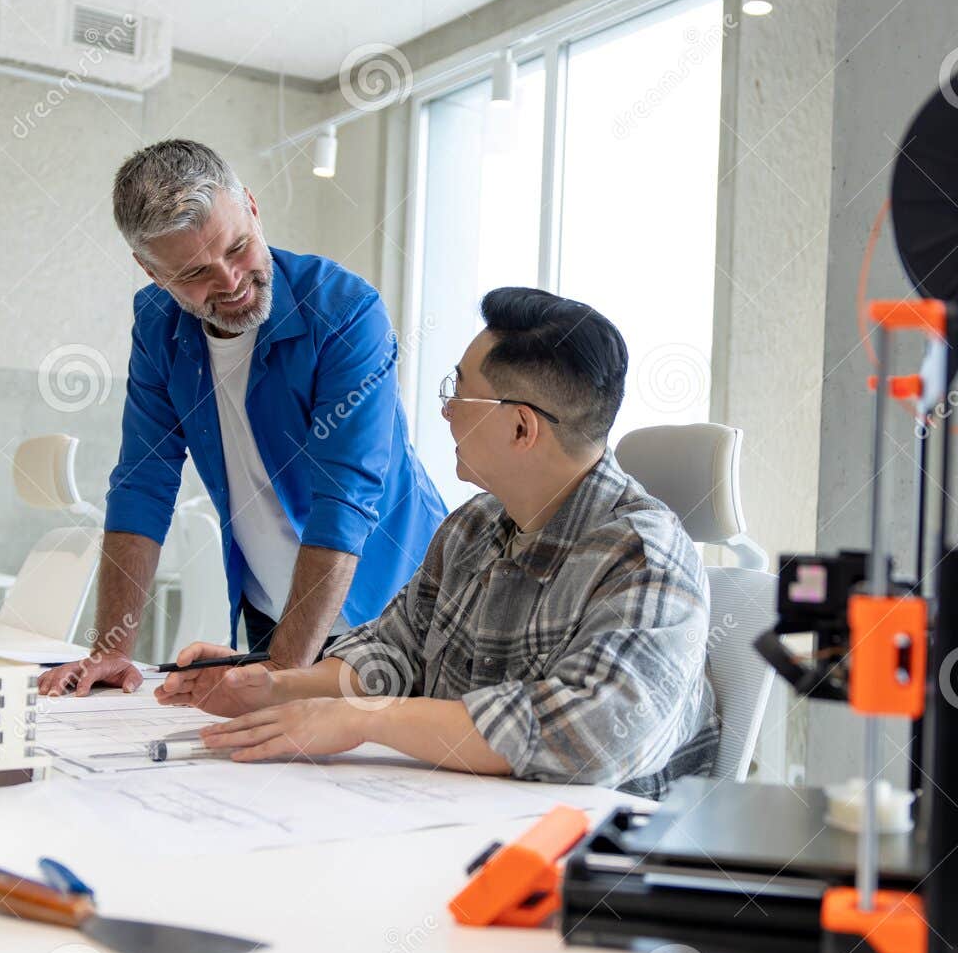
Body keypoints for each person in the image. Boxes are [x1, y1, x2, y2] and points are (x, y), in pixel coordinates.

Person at [158, 287, 721, 797]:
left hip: (592, 861)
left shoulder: (645, 557)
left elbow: (589, 735)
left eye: (460, 393)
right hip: (461, 808)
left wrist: (366, 719)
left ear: (522, 428)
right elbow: (392, 653)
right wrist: (268, 686)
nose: (446, 409)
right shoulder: (472, 527)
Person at [37, 140, 446, 697]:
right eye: (195, 272)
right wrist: (110, 650)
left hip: (393, 608)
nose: (229, 281)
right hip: (275, 611)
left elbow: (344, 499)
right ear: (150, 271)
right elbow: (142, 480)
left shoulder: (345, 310)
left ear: (252, 207)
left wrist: (281, 677)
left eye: (238, 248)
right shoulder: (157, 325)